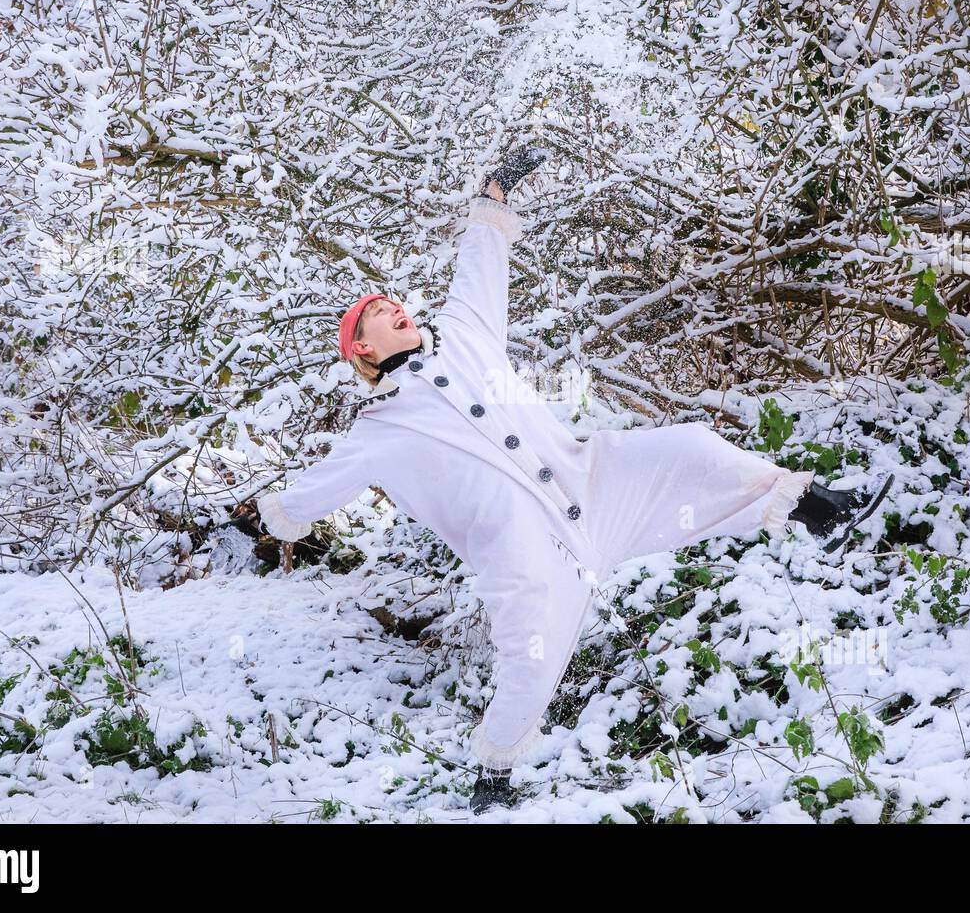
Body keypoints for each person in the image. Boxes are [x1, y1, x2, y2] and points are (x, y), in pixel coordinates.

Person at [245, 145, 892, 813]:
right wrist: (277, 515)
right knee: (529, 663)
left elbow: (478, 269)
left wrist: (493, 195)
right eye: (376, 312)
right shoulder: (377, 432)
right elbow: (311, 492)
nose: (394, 308)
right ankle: (491, 780)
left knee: (695, 448)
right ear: (362, 349)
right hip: (523, 552)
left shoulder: (465, 337)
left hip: (594, 486)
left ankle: (821, 512)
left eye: (392, 302)